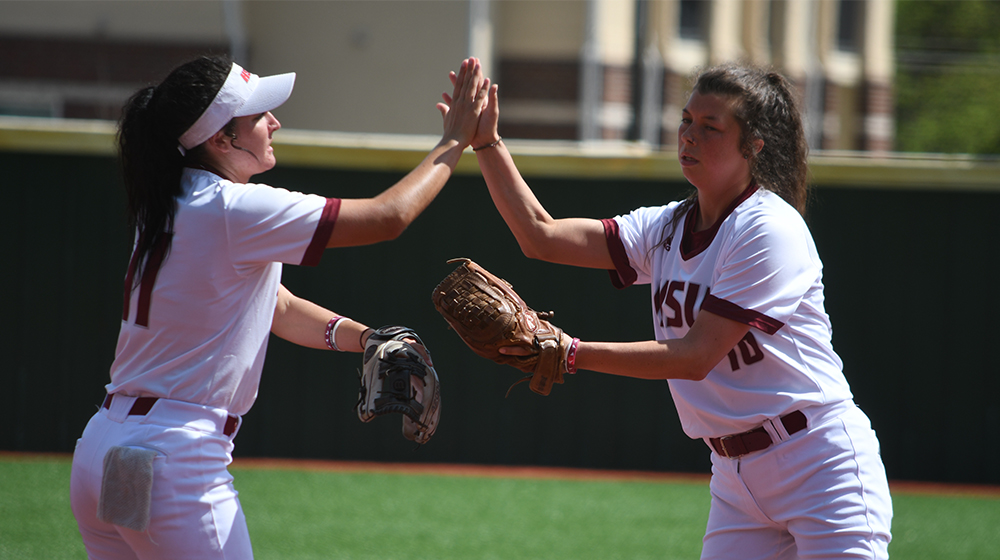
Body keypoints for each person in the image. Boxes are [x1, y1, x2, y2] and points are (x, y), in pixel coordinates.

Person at [70, 55, 488, 559]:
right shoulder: (231, 209)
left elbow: (276, 306)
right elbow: (388, 217)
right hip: (172, 457)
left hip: (104, 447)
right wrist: (454, 141)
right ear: (221, 140)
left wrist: (366, 338)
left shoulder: (170, 199)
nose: (274, 122)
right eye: (258, 115)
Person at [468, 62, 893, 559]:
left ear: (754, 145)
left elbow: (695, 357)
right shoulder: (667, 227)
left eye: (711, 127)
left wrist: (571, 352)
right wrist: (487, 144)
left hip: (817, 462)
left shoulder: (767, 228)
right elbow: (540, 236)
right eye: (686, 120)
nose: (689, 135)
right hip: (734, 476)